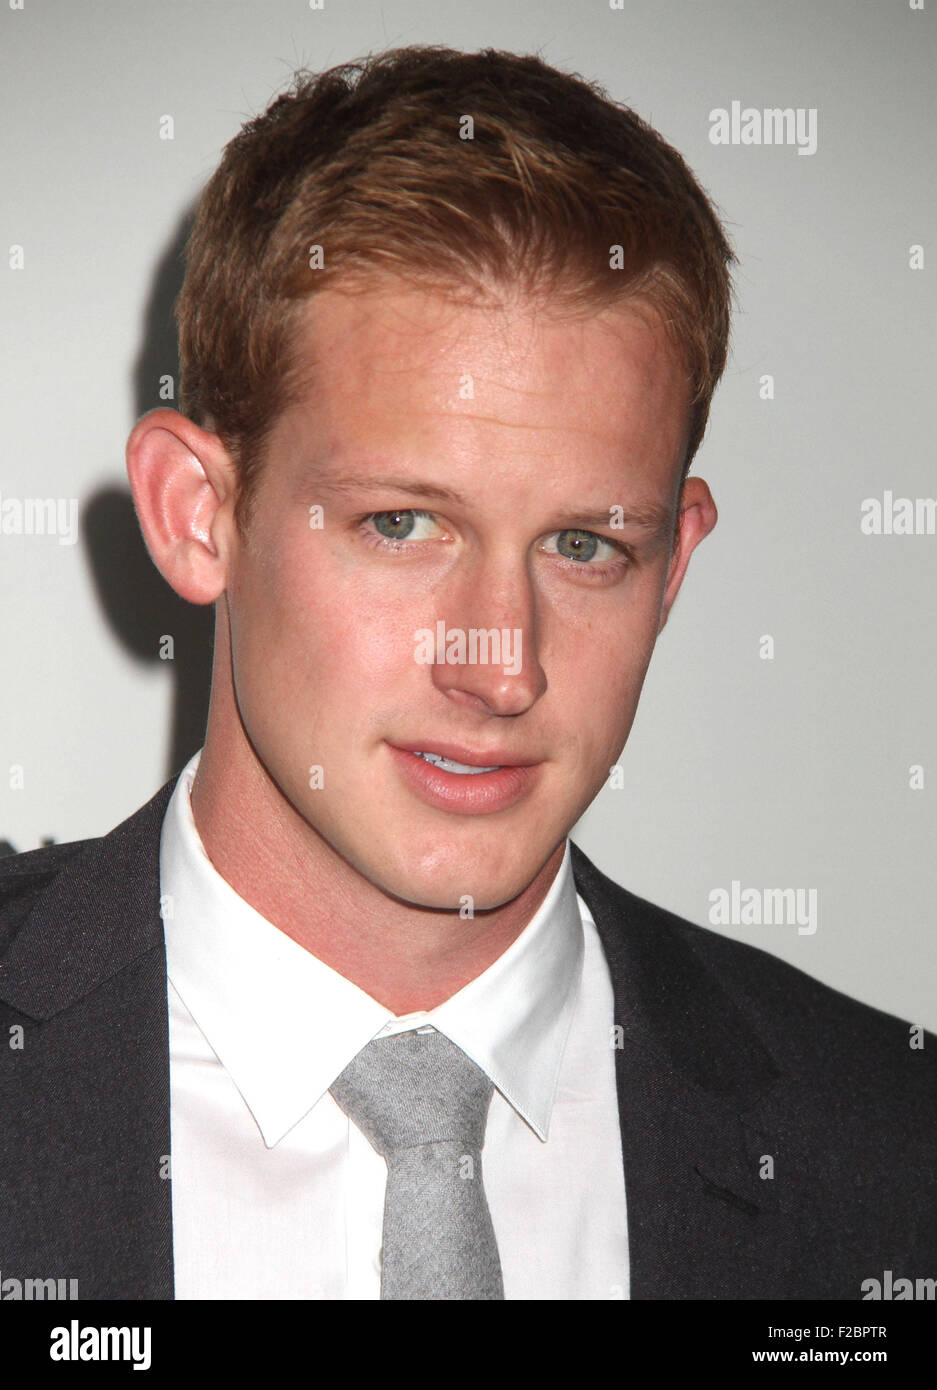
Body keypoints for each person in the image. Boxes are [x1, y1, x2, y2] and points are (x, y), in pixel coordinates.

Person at [0, 44, 933, 1302]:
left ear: (672, 565)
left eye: (585, 544)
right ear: (196, 515)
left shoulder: (891, 1152)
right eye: (402, 525)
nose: (502, 668)